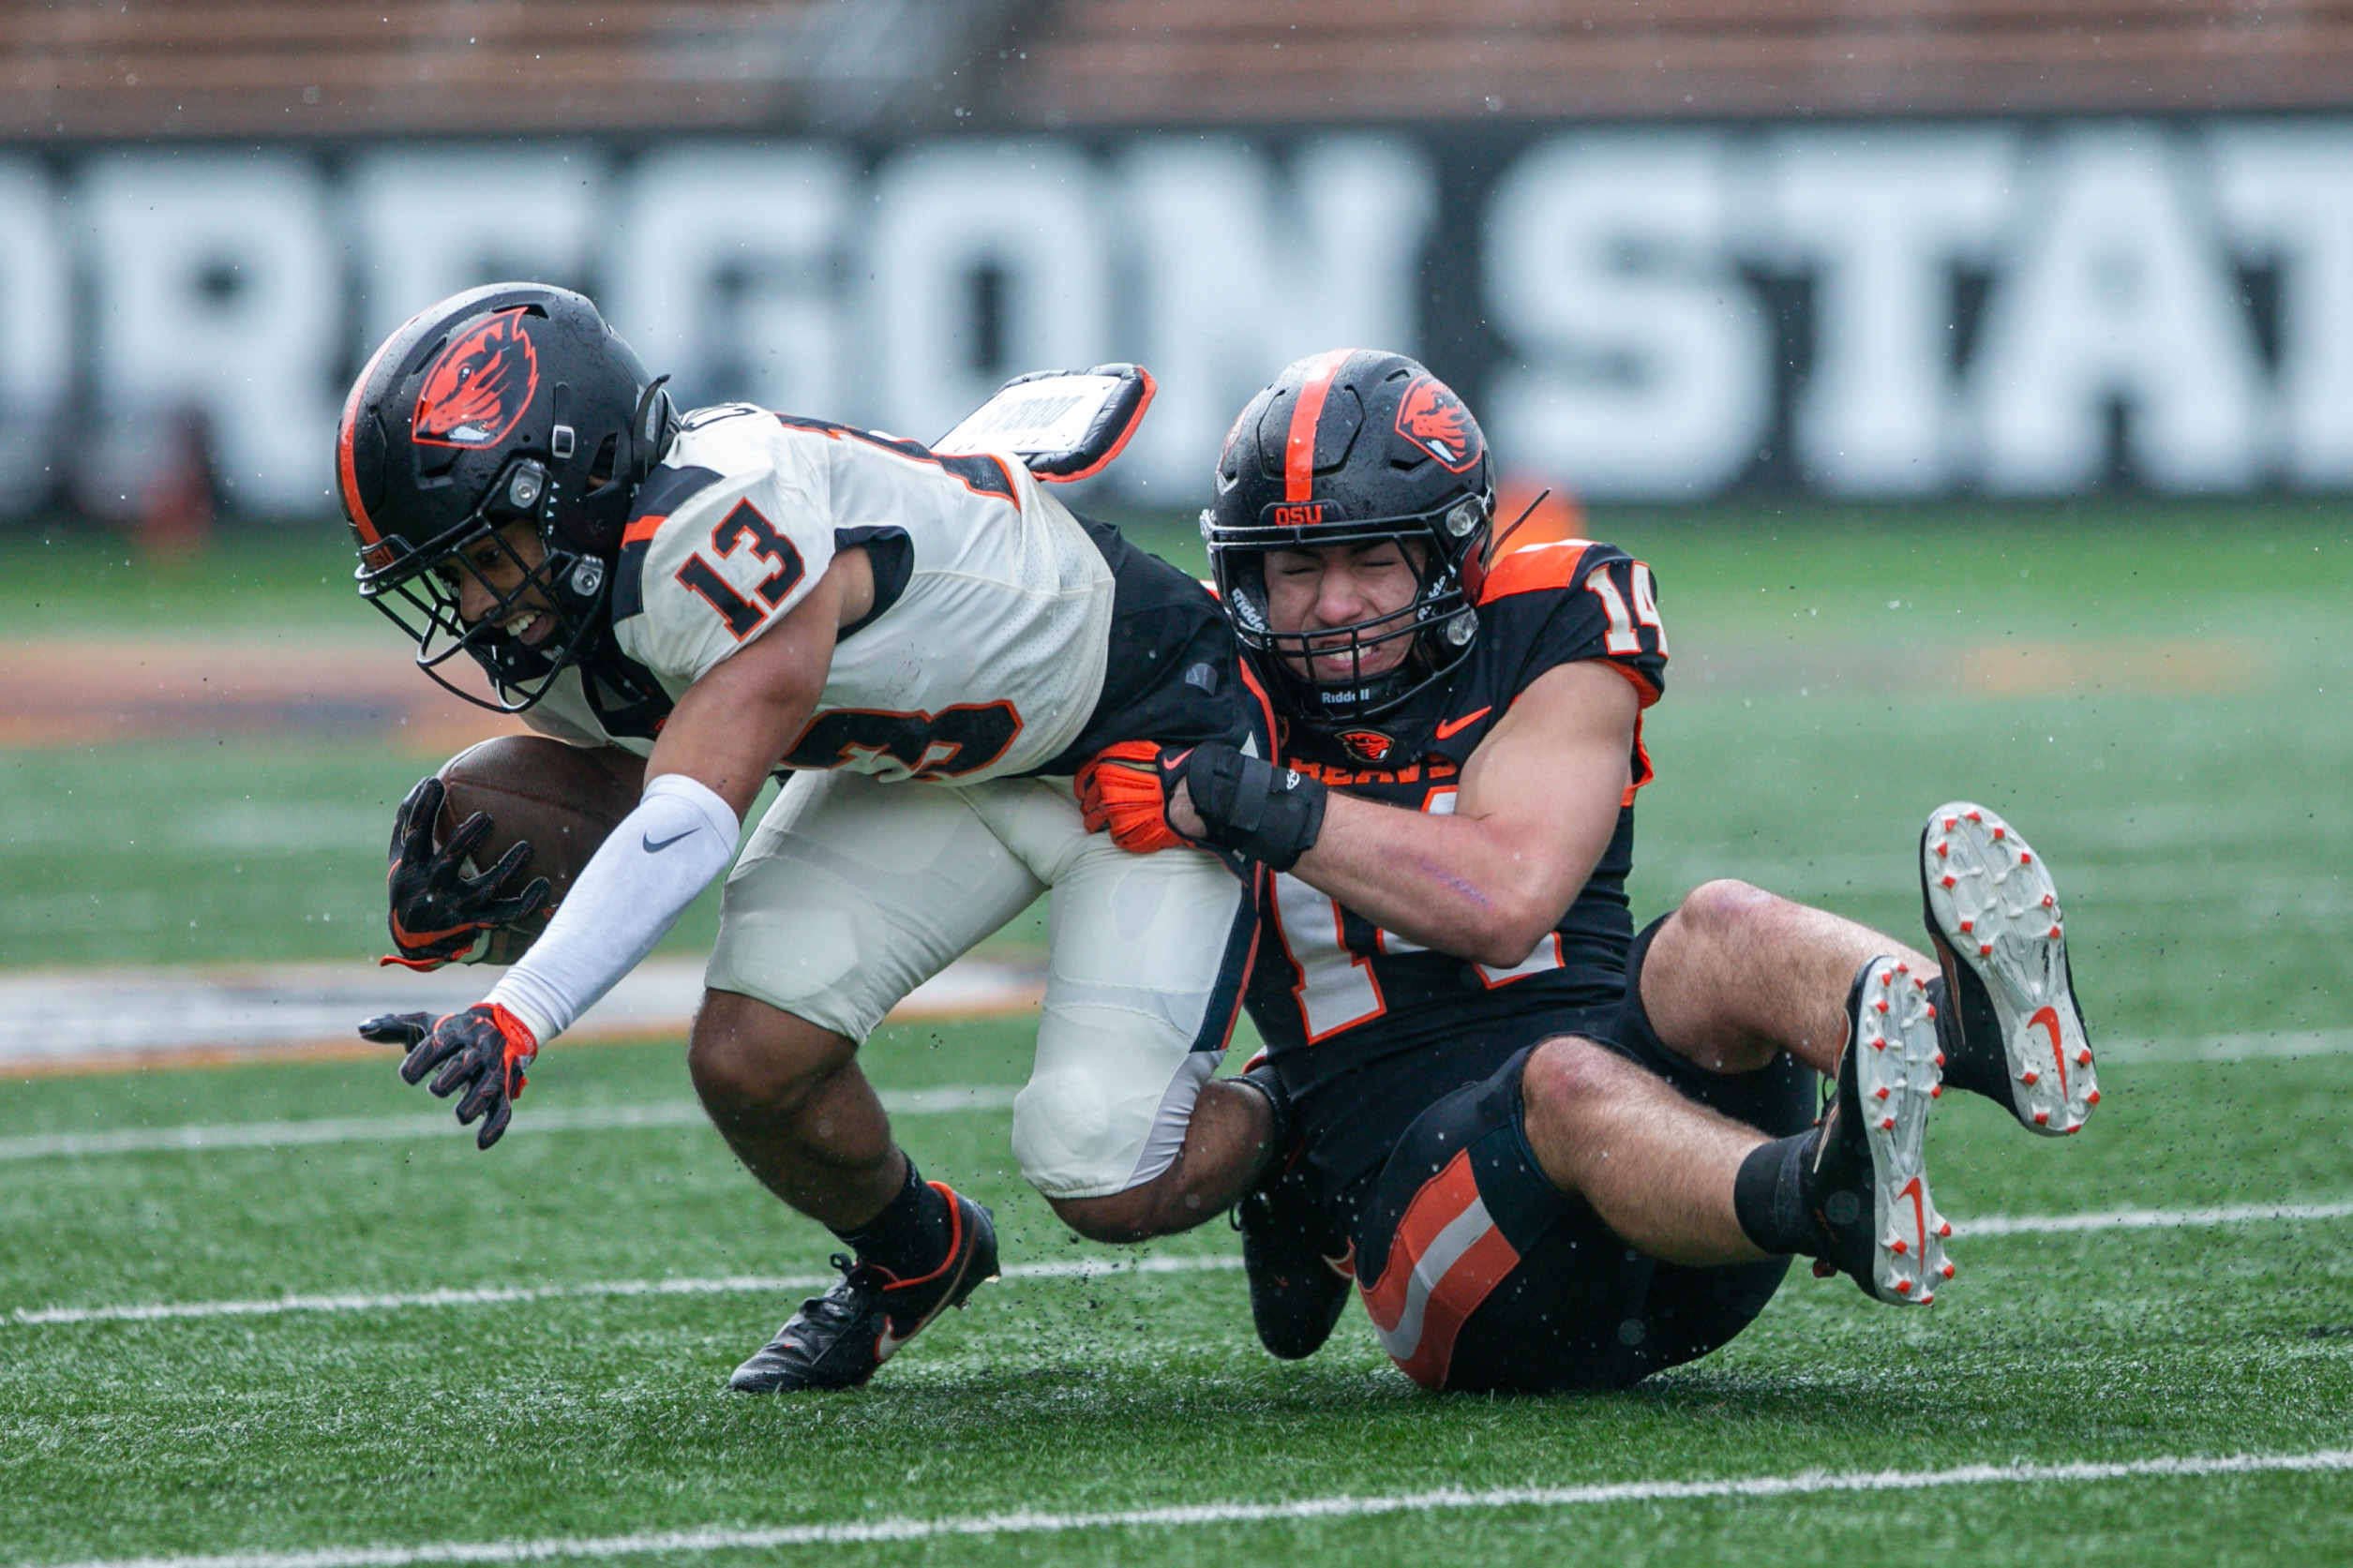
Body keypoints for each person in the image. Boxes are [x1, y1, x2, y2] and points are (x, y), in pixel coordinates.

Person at [1079, 350, 2097, 1390]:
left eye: (1371, 560)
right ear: (1244, 573)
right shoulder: (1193, 678)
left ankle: (1969, 1028)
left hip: (1663, 1165)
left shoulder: (1551, 617)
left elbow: (1503, 899)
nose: (1333, 604)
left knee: (1719, 923)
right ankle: (1824, 1194)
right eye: (1295, 570)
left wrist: (1260, 801)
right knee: (1559, 1081)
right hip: (1447, 1245)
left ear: (1451, 556)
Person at [337, 284, 1284, 1393]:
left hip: (1139, 738)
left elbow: (688, 820)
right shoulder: (580, 616)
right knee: (750, 1057)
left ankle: (1299, 1116)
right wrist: (480, 903)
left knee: (1104, 1169)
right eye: (448, 575)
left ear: (581, 484)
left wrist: (521, 1010)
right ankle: (915, 1253)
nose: (476, 602)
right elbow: (629, 783)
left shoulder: (711, 524)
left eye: (488, 557)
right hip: (940, 763)